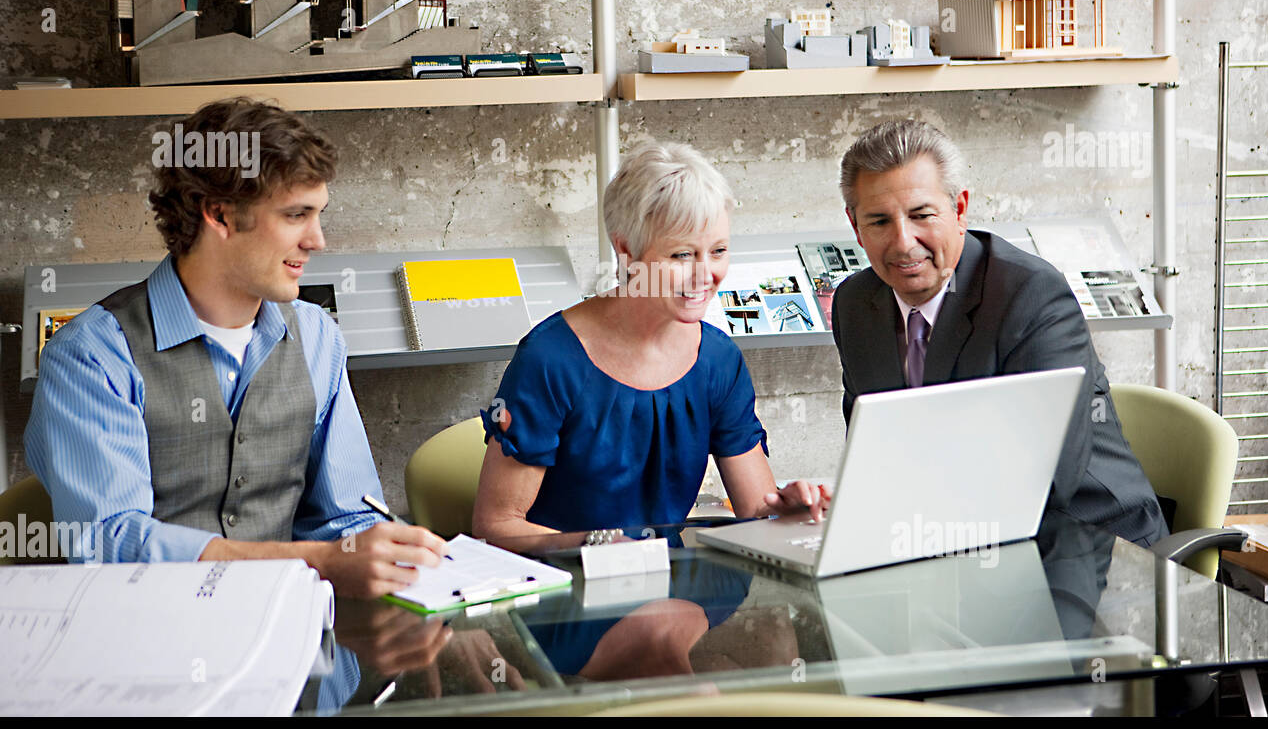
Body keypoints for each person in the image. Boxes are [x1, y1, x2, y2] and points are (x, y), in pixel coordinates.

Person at [24, 98, 446, 598]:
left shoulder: (316, 336)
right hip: (152, 639)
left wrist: (407, 571)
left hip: (296, 635)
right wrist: (321, 561)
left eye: (318, 215)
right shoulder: (92, 355)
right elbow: (111, 544)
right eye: (296, 215)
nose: (318, 240)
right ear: (221, 216)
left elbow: (347, 515)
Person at [831, 120, 1168, 547]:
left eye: (921, 215)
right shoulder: (855, 304)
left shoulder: (1031, 295)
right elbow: (872, 456)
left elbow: (1049, 477)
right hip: (945, 543)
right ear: (855, 225)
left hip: (1089, 542)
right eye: (879, 221)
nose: (903, 242)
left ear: (960, 210)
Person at [473, 141, 830, 537]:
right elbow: (496, 527)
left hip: (668, 584)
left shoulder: (717, 358)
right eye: (682, 255)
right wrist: (608, 550)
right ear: (626, 250)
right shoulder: (550, 359)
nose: (705, 274)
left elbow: (756, 512)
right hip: (568, 582)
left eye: (718, 250)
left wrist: (789, 510)